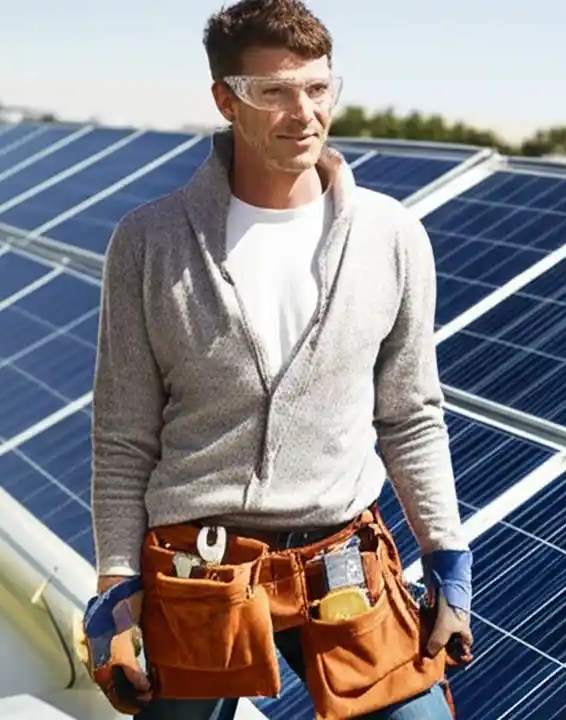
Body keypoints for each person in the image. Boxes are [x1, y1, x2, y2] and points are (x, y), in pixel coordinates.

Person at [87, 1, 472, 717]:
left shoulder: (392, 236)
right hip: (196, 573)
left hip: (344, 564)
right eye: (275, 92)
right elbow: (121, 435)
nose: (304, 112)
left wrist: (448, 561)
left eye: (319, 88)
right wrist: (116, 590)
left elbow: (411, 416)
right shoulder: (148, 243)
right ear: (225, 100)